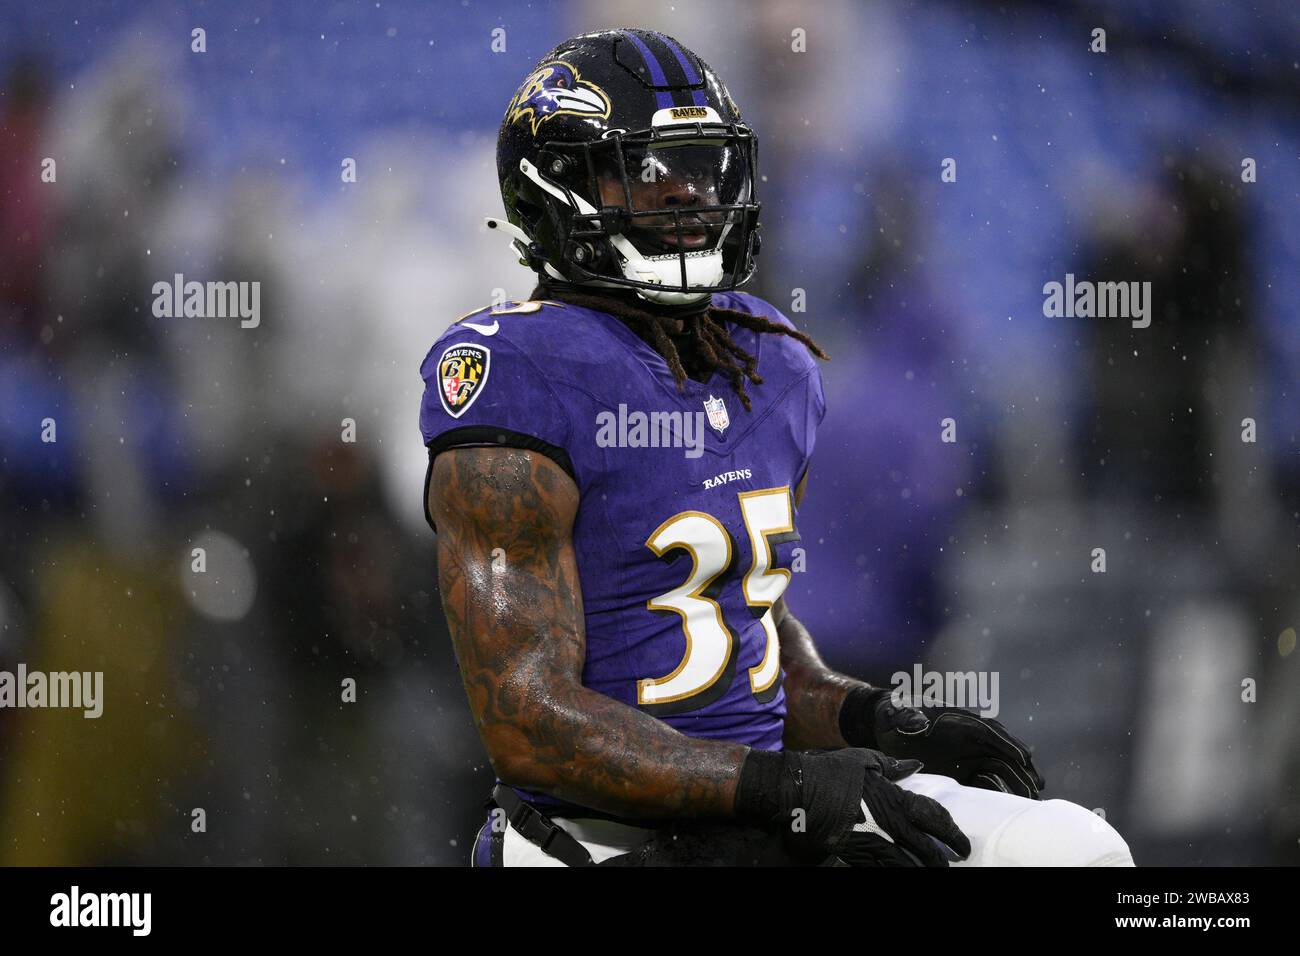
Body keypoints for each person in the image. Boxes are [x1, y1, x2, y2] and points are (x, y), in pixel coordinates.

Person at [419, 28, 1133, 867]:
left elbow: (746, 641)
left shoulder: (766, 359)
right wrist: (780, 789)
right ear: (559, 188)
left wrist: (876, 719)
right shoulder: (516, 373)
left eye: (703, 167)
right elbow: (526, 720)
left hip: (755, 798)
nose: (688, 194)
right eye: (652, 170)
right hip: (596, 834)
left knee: (1074, 851)